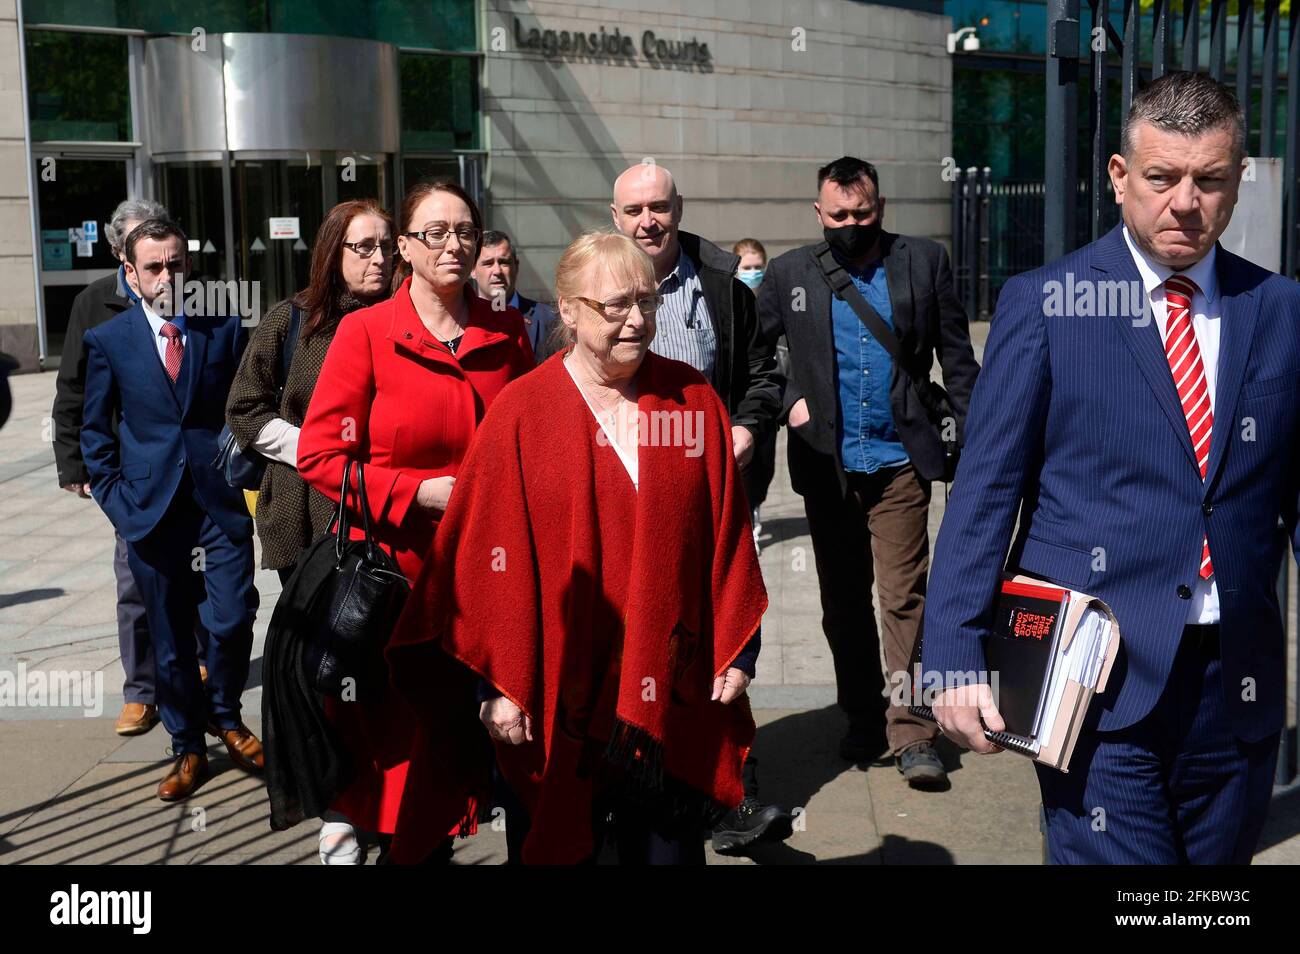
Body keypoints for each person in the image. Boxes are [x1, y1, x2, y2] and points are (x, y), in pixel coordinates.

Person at [926, 71, 1300, 863]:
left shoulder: (1280, 311)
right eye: (1162, 178)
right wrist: (953, 653)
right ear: (1120, 177)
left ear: (1237, 182)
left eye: (1210, 180)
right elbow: (986, 491)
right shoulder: (1046, 303)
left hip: (1236, 684)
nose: (1185, 203)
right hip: (1092, 678)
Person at [388, 230, 766, 864]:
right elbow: (482, 558)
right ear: (567, 310)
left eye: (647, 302)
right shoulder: (521, 411)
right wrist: (497, 685)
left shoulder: (691, 398)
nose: (638, 320)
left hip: (667, 685)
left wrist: (739, 647)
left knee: (663, 852)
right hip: (555, 692)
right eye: (615, 306)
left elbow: (727, 535)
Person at [296, 180, 534, 864]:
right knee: (412, 771)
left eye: (465, 229)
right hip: (397, 589)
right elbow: (319, 456)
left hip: (492, 584)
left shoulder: (508, 330)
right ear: (405, 246)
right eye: (434, 231)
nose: (453, 244)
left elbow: (528, 446)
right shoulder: (366, 334)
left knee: (503, 755)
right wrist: (415, 493)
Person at [756, 156, 979, 789]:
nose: (852, 224)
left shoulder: (922, 262)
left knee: (904, 595)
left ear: (880, 208)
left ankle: (912, 728)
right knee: (842, 601)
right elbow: (758, 357)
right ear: (818, 213)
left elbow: (957, 360)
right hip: (827, 467)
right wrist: (788, 397)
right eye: (840, 215)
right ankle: (860, 715)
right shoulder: (789, 272)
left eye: (864, 213)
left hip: (900, 460)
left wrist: (980, 442)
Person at [601, 162, 788, 853]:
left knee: (724, 642)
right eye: (633, 210)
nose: (647, 220)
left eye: (658, 206)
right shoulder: (595, 286)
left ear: (677, 208)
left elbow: (766, 369)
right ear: (613, 216)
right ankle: (642, 782)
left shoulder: (720, 283)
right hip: (626, 502)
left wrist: (744, 427)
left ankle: (734, 793)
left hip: (709, 497)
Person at [80, 218, 262, 801]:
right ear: (130, 274)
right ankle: (186, 745)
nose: (168, 275)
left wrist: (248, 473)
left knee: (231, 619)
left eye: (177, 263)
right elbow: (95, 432)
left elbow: (246, 409)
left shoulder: (224, 328)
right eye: (154, 266)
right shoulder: (109, 341)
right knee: (169, 639)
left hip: (217, 505)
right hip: (150, 512)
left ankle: (226, 717)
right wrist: (116, 500)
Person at [51, 197, 197, 738]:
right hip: (133, 474)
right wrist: (78, 464)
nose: (159, 268)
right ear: (123, 256)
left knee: (199, 577)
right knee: (136, 582)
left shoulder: (194, 300)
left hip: (189, 469)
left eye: (168, 254)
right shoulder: (94, 303)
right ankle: (142, 690)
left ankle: (194, 669)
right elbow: (72, 388)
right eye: (143, 251)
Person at [226, 199, 395, 585]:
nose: (380, 258)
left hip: (385, 499)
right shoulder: (291, 320)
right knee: (322, 633)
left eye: (387, 246)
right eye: (364, 247)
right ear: (334, 252)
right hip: (304, 507)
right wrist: (313, 448)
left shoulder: (407, 317)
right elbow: (243, 406)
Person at [732, 238, 780, 545]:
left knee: (764, 463)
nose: (752, 272)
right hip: (739, 398)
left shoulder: (771, 302)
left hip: (768, 395)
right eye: (746, 267)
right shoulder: (731, 302)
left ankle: (755, 506)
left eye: (757, 267)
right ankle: (744, 519)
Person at [472, 229, 555, 358]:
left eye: (504, 262)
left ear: (516, 266)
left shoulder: (548, 319)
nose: (497, 271)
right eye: (488, 263)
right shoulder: (460, 321)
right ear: (472, 270)